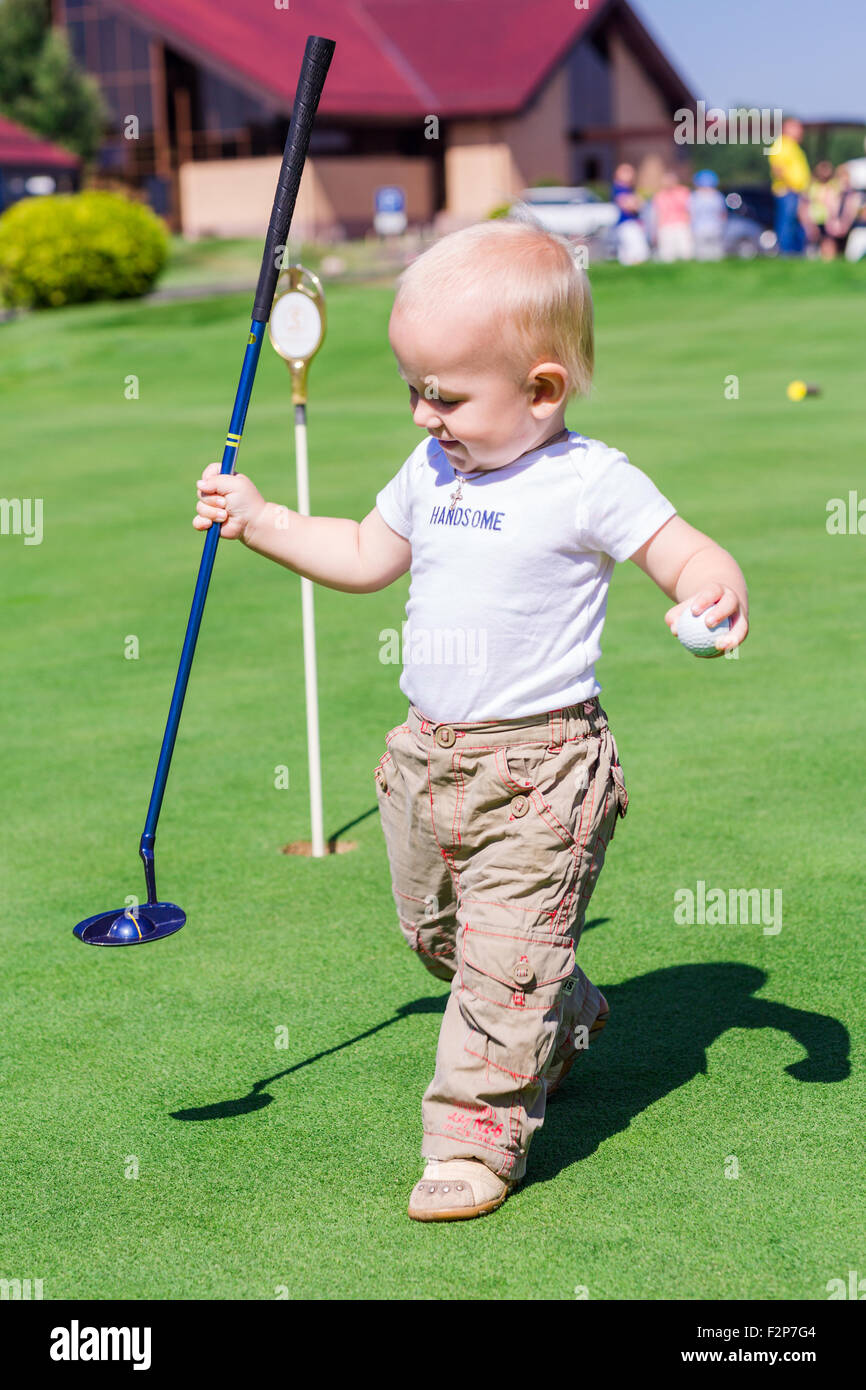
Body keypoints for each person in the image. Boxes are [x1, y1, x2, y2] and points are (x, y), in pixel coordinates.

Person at [192, 219, 749, 1221]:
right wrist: (261, 520)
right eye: (413, 387)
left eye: (443, 395)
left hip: (542, 768)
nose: (419, 415)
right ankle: (561, 1004)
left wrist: (708, 591)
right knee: (440, 935)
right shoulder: (433, 473)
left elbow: (685, 551)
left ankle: (474, 1138)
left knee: (498, 968)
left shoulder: (587, 480)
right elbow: (365, 555)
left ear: (540, 389)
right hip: (425, 765)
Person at [768, 118, 810, 255]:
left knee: (796, 225)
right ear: (786, 129)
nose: (801, 131)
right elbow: (777, 168)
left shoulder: (793, 146)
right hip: (788, 191)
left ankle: (796, 252)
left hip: (796, 192)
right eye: (797, 128)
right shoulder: (782, 144)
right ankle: (786, 253)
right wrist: (792, 186)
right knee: (787, 223)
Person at [800, 161, 840, 259]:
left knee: (828, 243)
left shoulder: (834, 186)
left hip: (828, 220)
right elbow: (804, 206)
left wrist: (833, 219)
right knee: (812, 246)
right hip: (813, 220)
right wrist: (807, 223)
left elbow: (835, 204)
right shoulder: (811, 186)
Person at [612, 162, 650, 264]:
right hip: (626, 223)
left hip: (633, 222)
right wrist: (636, 202)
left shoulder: (630, 189)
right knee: (635, 250)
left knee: (636, 250)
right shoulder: (619, 188)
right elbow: (628, 205)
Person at [652, 169, 694, 262]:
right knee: (667, 254)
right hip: (665, 226)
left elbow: (688, 210)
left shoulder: (684, 192)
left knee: (685, 251)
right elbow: (658, 214)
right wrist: (655, 231)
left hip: (681, 224)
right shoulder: (659, 195)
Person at [689, 169, 727, 260]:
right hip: (715, 228)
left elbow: (690, 214)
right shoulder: (717, 196)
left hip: (699, 229)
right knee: (716, 253)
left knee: (702, 255)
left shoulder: (695, 197)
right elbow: (723, 214)